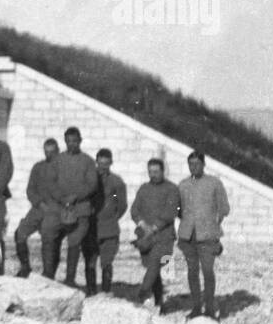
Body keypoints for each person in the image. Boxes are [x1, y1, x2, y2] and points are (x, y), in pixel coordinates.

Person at [177, 151, 230, 319]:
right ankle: (196, 308)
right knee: (192, 272)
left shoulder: (214, 183)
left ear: (203, 164)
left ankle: (209, 309)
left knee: (208, 272)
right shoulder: (183, 185)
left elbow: (224, 209)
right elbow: (179, 210)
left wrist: (213, 225)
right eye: (191, 164)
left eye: (197, 164)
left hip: (207, 236)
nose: (194, 167)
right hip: (188, 236)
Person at [45, 126, 98, 286]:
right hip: (60, 208)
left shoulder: (88, 161)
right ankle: (48, 275)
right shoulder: (57, 160)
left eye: (75, 141)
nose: (72, 144)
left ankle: (70, 279)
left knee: (74, 241)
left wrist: (76, 197)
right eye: (69, 141)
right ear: (65, 142)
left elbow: (92, 184)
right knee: (48, 233)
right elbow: (51, 182)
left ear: (80, 141)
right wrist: (62, 198)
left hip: (80, 208)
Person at [130, 158, 180, 312]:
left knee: (154, 264)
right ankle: (159, 303)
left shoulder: (172, 189)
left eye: (156, 172)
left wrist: (155, 227)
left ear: (163, 171)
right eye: (150, 172)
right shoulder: (144, 189)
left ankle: (142, 294)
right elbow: (134, 210)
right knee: (154, 269)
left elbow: (171, 212)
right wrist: (142, 224)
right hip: (145, 238)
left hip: (164, 237)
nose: (153, 175)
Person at [13, 138, 60, 277]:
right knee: (20, 233)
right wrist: (38, 203)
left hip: (55, 210)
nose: (49, 155)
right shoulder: (38, 167)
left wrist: (54, 206)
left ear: (58, 151)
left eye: (52, 152)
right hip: (38, 208)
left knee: (49, 239)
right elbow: (30, 190)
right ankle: (25, 266)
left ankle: (48, 273)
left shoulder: (63, 168)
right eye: (46, 152)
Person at [84, 148, 127, 294]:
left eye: (106, 164)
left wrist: (111, 218)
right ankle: (90, 292)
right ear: (96, 162)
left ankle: (105, 293)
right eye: (100, 164)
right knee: (90, 262)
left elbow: (121, 205)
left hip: (108, 229)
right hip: (90, 228)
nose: (103, 167)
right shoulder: (88, 180)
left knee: (106, 262)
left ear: (111, 163)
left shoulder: (116, 182)